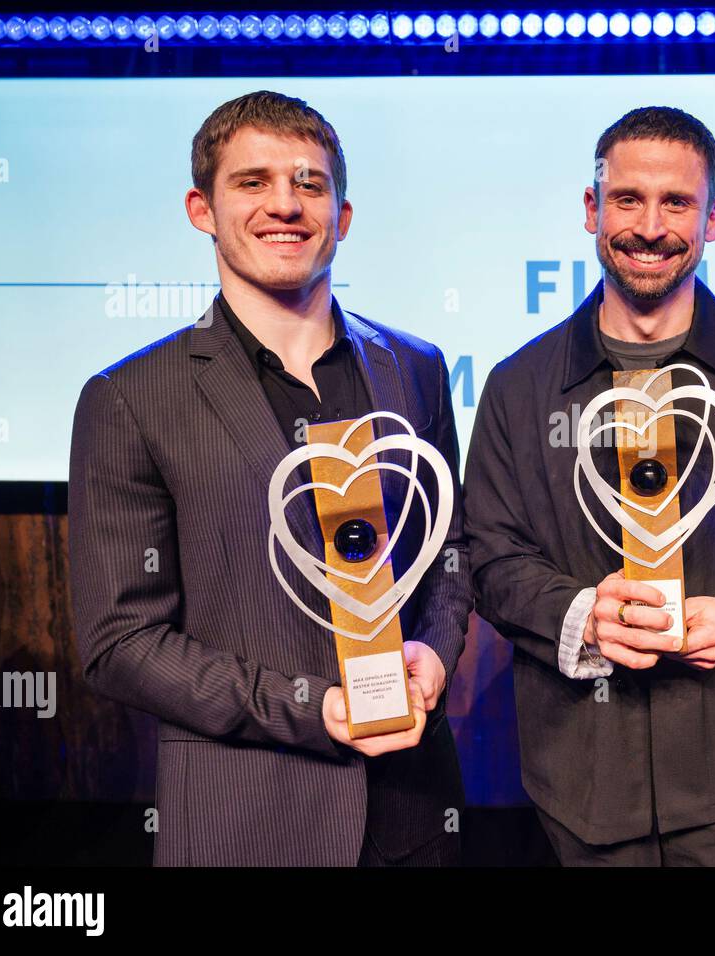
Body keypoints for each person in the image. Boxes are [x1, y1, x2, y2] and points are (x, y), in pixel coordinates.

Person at [68, 91, 471, 866]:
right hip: (248, 824)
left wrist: (436, 650)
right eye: (252, 182)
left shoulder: (415, 368)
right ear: (201, 208)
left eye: (309, 184)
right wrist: (309, 706)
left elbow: (450, 551)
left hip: (416, 813)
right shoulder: (130, 398)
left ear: (343, 215)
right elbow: (119, 642)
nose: (284, 205)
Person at [464, 106, 715, 865]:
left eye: (678, 203)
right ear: (591, 209)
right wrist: (584, 617)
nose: (650, 225)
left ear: (713, 219)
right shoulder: (518, 385)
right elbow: (490, 559)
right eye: (627, 199)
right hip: (582, 785)